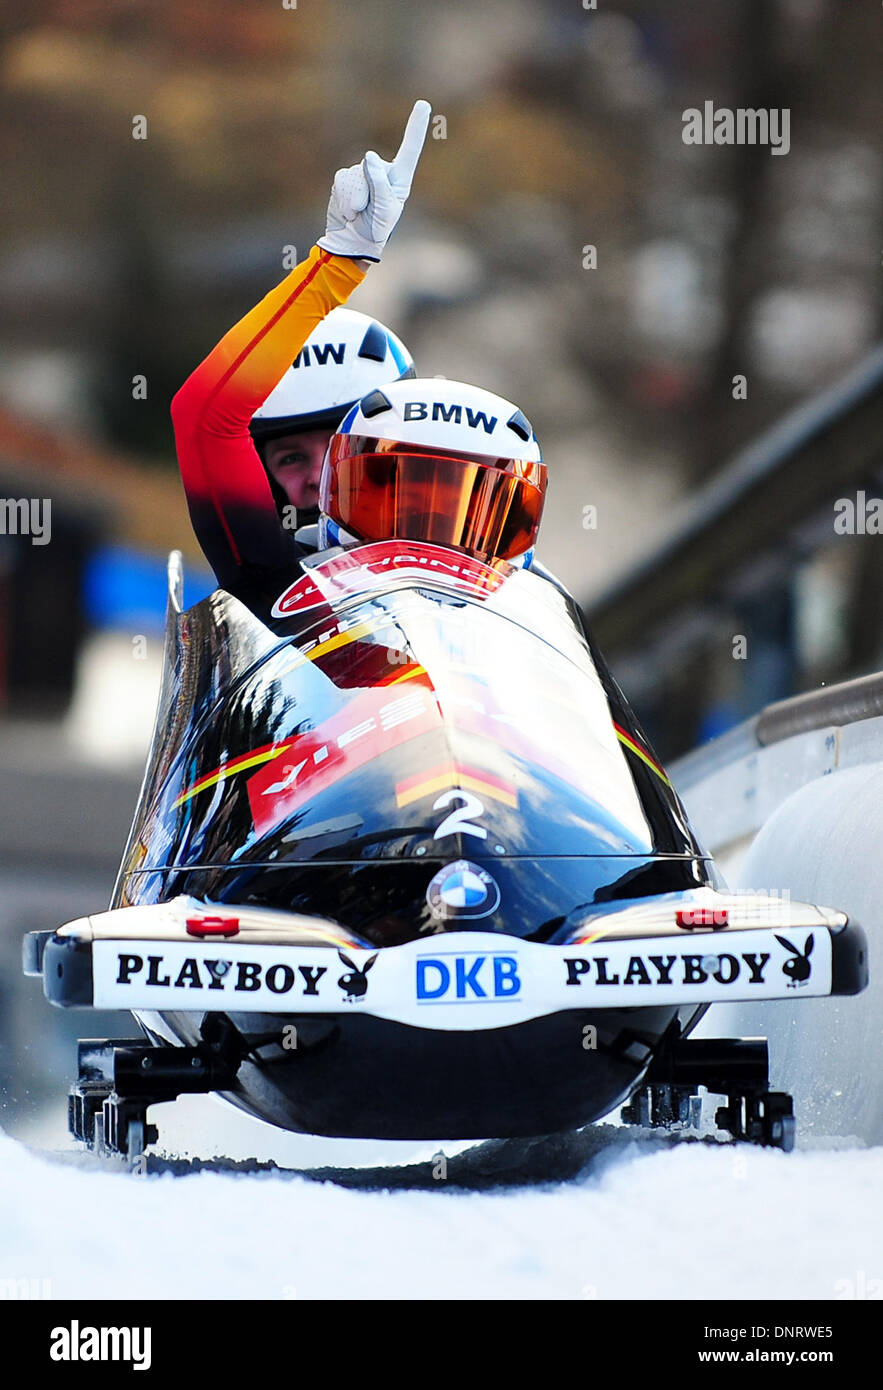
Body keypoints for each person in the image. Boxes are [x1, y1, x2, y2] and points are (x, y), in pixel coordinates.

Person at [171, 100, 431, 609]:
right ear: (261, 481)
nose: (320, 476)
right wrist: (338, 266)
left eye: (340, 446)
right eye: (291, 457)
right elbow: (201, 416)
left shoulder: (491, 570)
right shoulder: (271, 583)